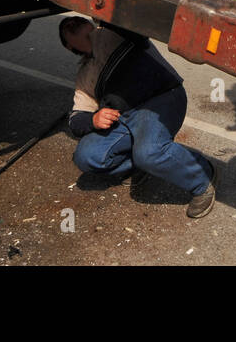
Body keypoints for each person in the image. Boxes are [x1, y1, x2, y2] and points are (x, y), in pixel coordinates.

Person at [59, 14, 218, 218]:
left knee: (149, 152)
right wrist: (93, 120)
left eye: (73, 20)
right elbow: (75, 119)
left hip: (160, 99)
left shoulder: (113, 32)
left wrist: (104, 12)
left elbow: (133, 23)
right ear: (70, 48)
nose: (69, 23)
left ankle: (203, 176)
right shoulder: (84, 76)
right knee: (86, 156)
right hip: (126, 118)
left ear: (90, 23)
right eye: (65, 29)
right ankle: (144, 165)